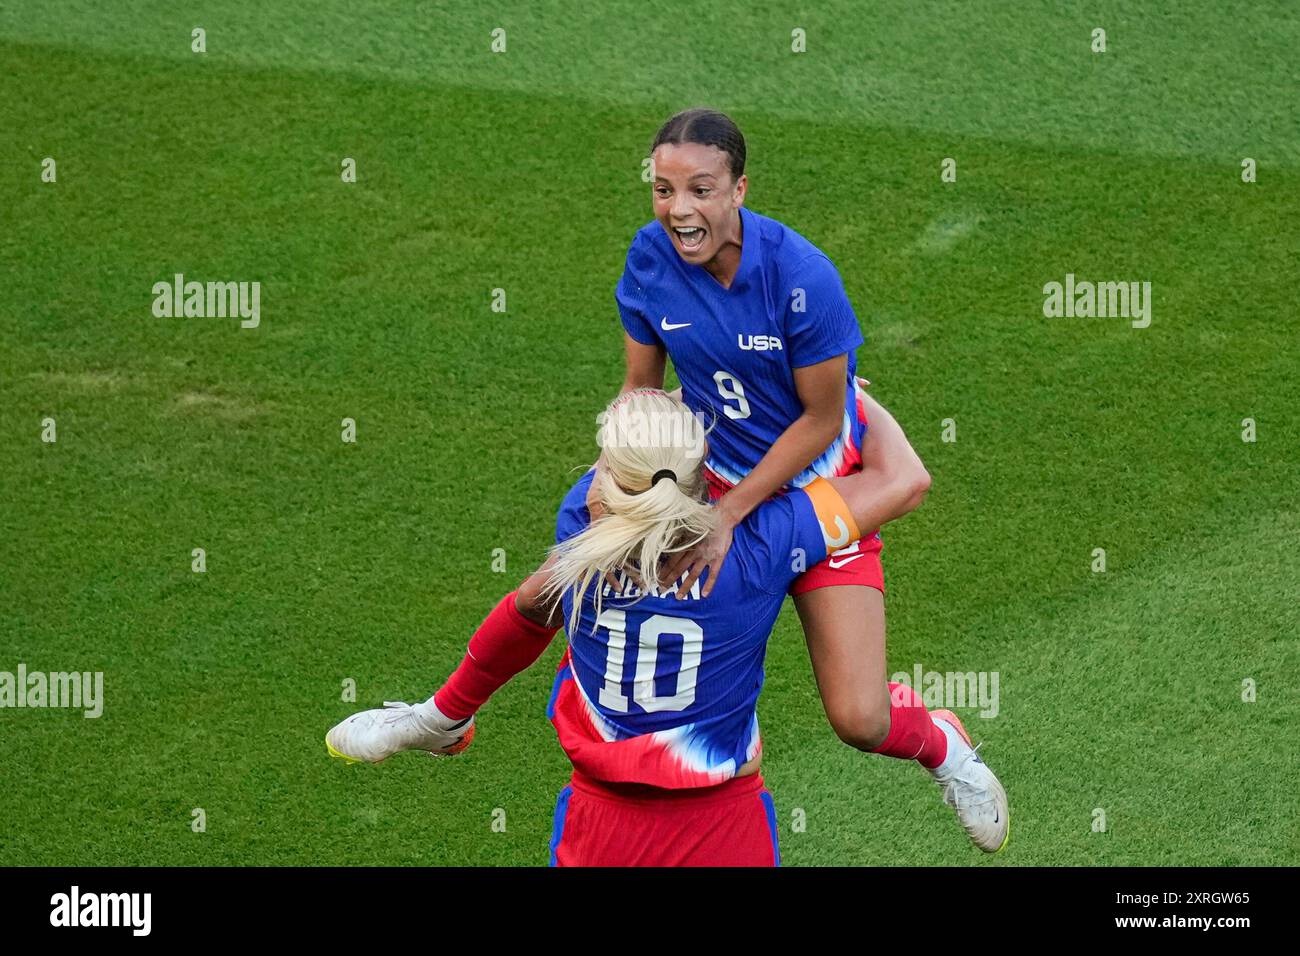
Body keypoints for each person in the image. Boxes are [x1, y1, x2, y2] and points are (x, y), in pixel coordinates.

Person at [327, 390, 1009, 865]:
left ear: (611, 486)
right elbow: (907, 478)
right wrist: (844, 398)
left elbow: (533, 607)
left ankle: (440, 719)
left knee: (539, 598)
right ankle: (439, 718)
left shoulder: (581, 528)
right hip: (722, 818)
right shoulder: (763, 542)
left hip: (601, 818)